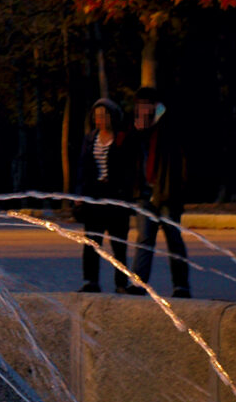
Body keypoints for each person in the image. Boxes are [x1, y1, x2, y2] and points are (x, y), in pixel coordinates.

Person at [131, 88, 192, 297]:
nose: (142, 109)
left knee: (173, 239)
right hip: (144, 194)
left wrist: (179, 190)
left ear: (155, 106)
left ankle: (181, 285)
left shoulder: (168, 127)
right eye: (139, 105)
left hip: (167, 193)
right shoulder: (137, 130)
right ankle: (138, 283)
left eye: (146, 105)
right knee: (144, 239)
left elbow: (182, 160)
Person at [74, 98, 137, 291]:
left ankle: (121, 283)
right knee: (92, 241)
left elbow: (130, 169)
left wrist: (128, 194)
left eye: (104, 115)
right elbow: (83, 167)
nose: (100, 119)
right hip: (94, 195)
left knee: (118, 243)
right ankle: (90, 281)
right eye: (97, 116)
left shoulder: (122, 138)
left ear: (113, 117)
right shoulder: (90, 138)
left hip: (116, 196)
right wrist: (79, 195)